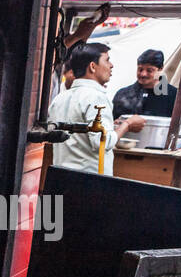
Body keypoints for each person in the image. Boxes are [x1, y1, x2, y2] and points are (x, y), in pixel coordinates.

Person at [47, 42, 145, 176]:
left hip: (61, 176)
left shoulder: (60, 98)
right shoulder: (95, 97)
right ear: (93, 67)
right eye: (107, 60)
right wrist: (127, 125)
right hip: (88, 181)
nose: (111, 65)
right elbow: (102, 141)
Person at [112, 48, 177, 119]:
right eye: (140, 69)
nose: (143, 74)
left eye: (149, 70)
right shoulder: (123, 94)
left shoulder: (174, 95)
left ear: (160, 69)